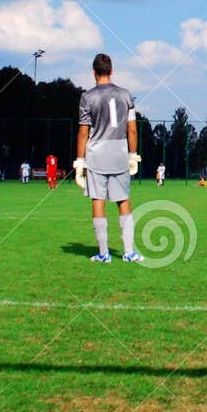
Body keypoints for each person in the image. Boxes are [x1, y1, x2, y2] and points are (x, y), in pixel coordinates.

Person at [75, 52, 142, 263]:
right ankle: (129, 252)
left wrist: (79, 161)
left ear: (94, 72)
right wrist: (133, 155)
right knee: (123, 200)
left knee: (98, 199)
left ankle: (104, 253)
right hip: (119, 152)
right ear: (111, 71)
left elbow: (83, 132)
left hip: (97, 153)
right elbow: (132, 129)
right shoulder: (126, 95)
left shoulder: (87, 97)